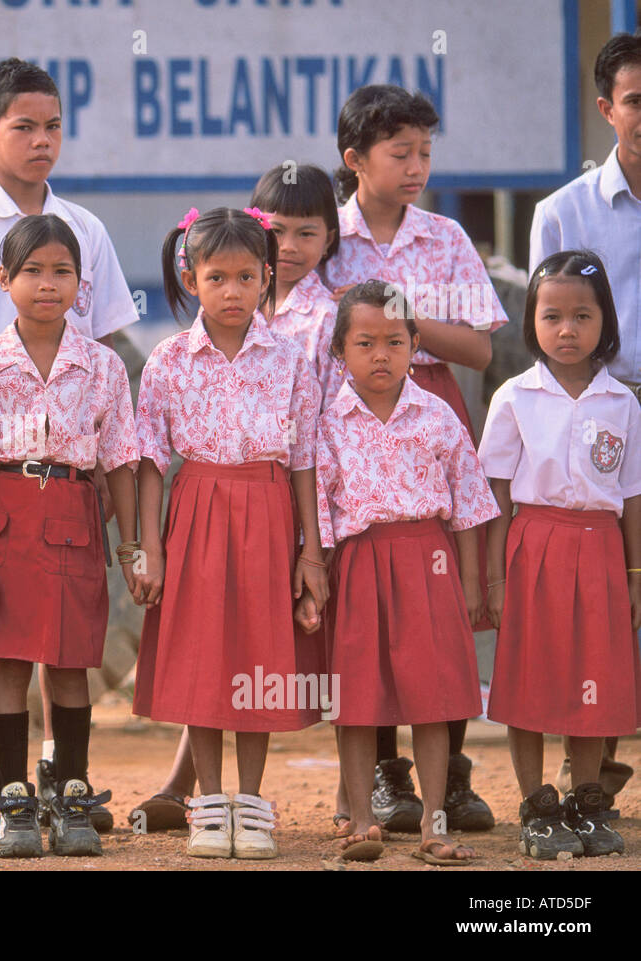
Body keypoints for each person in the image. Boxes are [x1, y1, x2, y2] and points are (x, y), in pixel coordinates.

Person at [0, 57, 136, 834]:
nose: (42, 141)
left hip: (67, 465)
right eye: (23, 127)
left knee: (61, 627)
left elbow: (103, 345)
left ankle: (59, 777)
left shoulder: (88, 231)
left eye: (53, 127)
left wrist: (104, 482)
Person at [130, 168, 342, 834]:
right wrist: (150, 549)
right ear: (191, 280)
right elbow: (149, 465)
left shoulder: (288, 360)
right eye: (216, 277)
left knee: (262, 658)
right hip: (195, 515)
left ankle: (250, 804)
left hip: (271, 515)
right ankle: (210, 803)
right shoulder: (166, 360)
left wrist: (311, 550)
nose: (231, 290)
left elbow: (306, 458)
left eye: (246, 277)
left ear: (267, 279)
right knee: (204, 657)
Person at [323, 84, 506, 834]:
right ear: (355, 159)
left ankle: (448, 780)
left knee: (435, 619)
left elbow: (481, 348)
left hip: (432, 417)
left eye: (426, 152)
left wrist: (403, 320)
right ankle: (381, 779)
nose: (417, 166)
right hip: (350, 427)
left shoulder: (446, 238)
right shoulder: (325, 239)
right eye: (401, 153)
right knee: (367, 617)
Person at [0, 214, 139, 858]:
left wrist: (131, 546)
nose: (47, 284)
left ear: (82, 284)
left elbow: (123, 463)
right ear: (3, 279)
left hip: (75, 519)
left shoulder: (104, 366)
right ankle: (15, 796)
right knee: (9, 663)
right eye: (32, 271)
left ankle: (71, 790)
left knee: (71, 659)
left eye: (62, 272)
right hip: (6, 520)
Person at [316, 279, 499, 864]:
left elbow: (470, 505)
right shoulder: (328, 422)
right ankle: (363, 818)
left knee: (432, 696)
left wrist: (471, 583)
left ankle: (434, 824)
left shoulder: (438, 416)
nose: (380, 355)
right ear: (339, 350)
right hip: (359, 564)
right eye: (364, 342)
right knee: (356, 696)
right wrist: (315, 574)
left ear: (416, 344)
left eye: (395, 341)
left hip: (430, 562)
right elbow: (318, 507)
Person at [479, 250, 641, 858]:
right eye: (552, 316)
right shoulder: (514, 397)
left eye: (582, 316)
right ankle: (537, 805)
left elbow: (631, 494)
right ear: (532, 322)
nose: (566, 329)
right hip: (534, 547)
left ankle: (589, 802)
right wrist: (492, 575)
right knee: (529, 678)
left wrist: (635, 575)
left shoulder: (622, 404)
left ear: (606, 325)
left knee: (593, 678)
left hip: (601, 550)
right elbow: (493, 493)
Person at [529, 30, 641, 800]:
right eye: (637, 99)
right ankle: (586, 763)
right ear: (608, 108)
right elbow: (547, 333)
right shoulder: (562, 213)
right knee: (601, 591)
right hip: (604, 408)